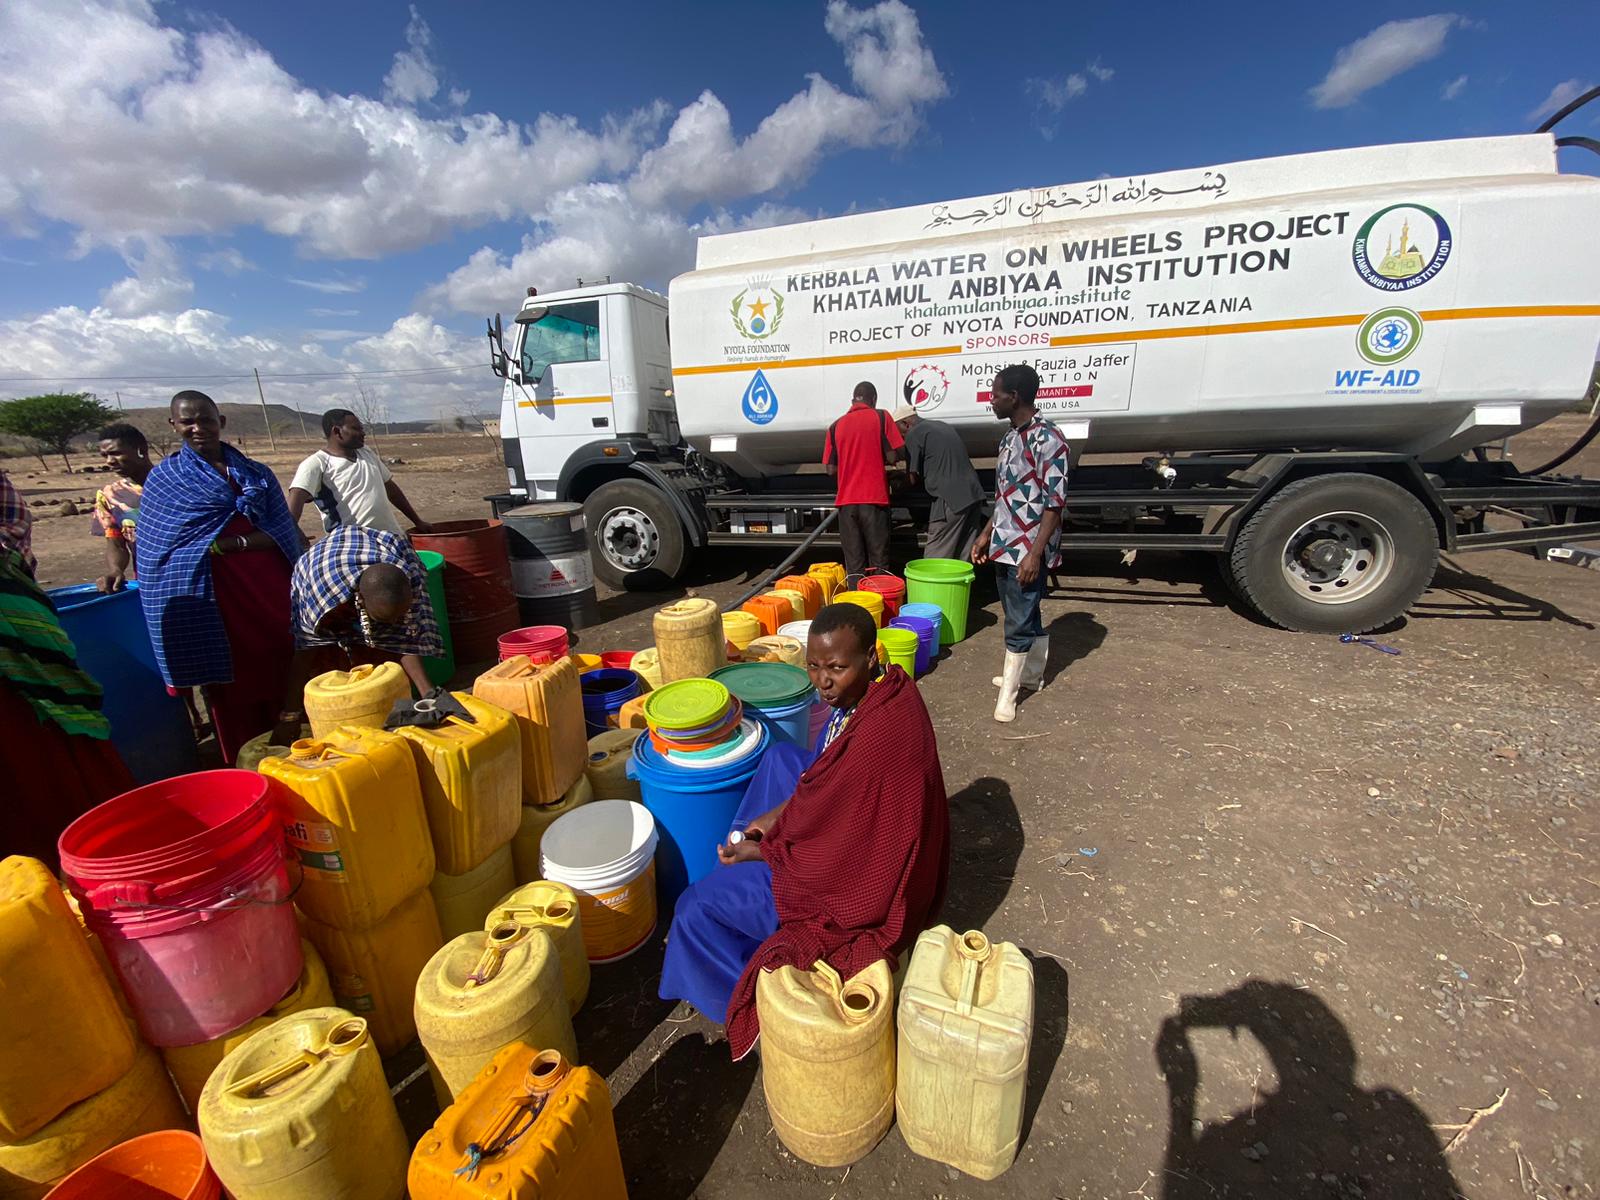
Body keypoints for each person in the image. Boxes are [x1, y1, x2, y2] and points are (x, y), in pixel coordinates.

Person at [659, 601, 949, 1059]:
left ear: (871, 658)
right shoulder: (886, 690)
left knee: (693, 908)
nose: (823, 682)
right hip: (839, 819)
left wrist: (770, 849)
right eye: (814, 667)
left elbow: (843, 843)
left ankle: (756, 1005)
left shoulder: (878, 736)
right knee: (779, 759)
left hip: (849, 880)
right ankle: (743, 861)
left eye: (836, 668)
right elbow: (824, 783)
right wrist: (772, 821)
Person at [136, 390, 304, 764]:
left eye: (207, 419)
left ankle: (297, 739)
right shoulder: (166, 479)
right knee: (231, 676)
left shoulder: (255, 473)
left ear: (221, 422)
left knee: (283, 655)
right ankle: (246, 759)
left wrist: (232, 544)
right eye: (188, 421)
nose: (199, 428)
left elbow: (283, 528)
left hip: (268, 585)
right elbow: (157, 551)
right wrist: (216, 549)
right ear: (173, 425)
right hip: (212, 595)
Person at [2, 469, 133, 866]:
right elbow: (113, 541)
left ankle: (91, 848)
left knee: (48, 754)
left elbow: (12, 535)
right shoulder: (108, 494)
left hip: (18, 638)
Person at [971, 364, 1070, 723]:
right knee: (1025, 611)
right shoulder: (1009, 439)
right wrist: (985, 534)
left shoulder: (1050, 440)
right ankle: (1031, 676)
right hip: (1003, 541)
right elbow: (1003, 496)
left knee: (1018, 616)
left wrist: (1035, 554)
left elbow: (1054, 504)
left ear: (1014, 397)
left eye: (996, 395)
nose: (991, 401)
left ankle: (1009, 696)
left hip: (1027, 548)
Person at [287, 523, 443, 699]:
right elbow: (306, 651)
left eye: (398, 616)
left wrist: (430, 695)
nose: (393, 624)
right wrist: (290, 715)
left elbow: (405, 638)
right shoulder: (321, 601)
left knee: (387, 669)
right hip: (323, 575)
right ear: (360, 599)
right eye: (385, 619)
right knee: (333, 676)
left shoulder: (408, 577)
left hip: (379, 549)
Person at [288, 409, 431, 535]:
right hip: (351, 542)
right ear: (337, 431)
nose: (363, 433)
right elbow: (296, 496)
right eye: (356, 429)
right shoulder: (317, 463)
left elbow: (390, 489)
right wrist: (293, 531)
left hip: (389, 536)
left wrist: (417, 521)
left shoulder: (366, 453)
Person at [822, 382, 904, 578]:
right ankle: (880, 606)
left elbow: (830, 469)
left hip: (846, 505)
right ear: (873, 399)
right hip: (874, 501)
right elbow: (893, 457)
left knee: (854, 566)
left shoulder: (835, 426)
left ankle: (857, 605)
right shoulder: (881, 417)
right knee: (879, 563)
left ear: (853, 400)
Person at [892, 405, 987, 561]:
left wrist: (895, 486)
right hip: (974, 494)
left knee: (934, 559)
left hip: (950, 499)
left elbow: (912, 478)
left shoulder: (913, 434)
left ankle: (930, 586)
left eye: (899, 433)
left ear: (906, 424)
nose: (901, 439)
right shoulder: (941, 426)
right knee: (961, 558)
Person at [92, 423, 153, 593]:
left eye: (116, 453)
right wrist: (115, 570)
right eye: (105, 455)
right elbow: (116, 542)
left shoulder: (176, 485)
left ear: (141, 449)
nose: (109, 461)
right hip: (148, 583)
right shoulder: (110, 496)